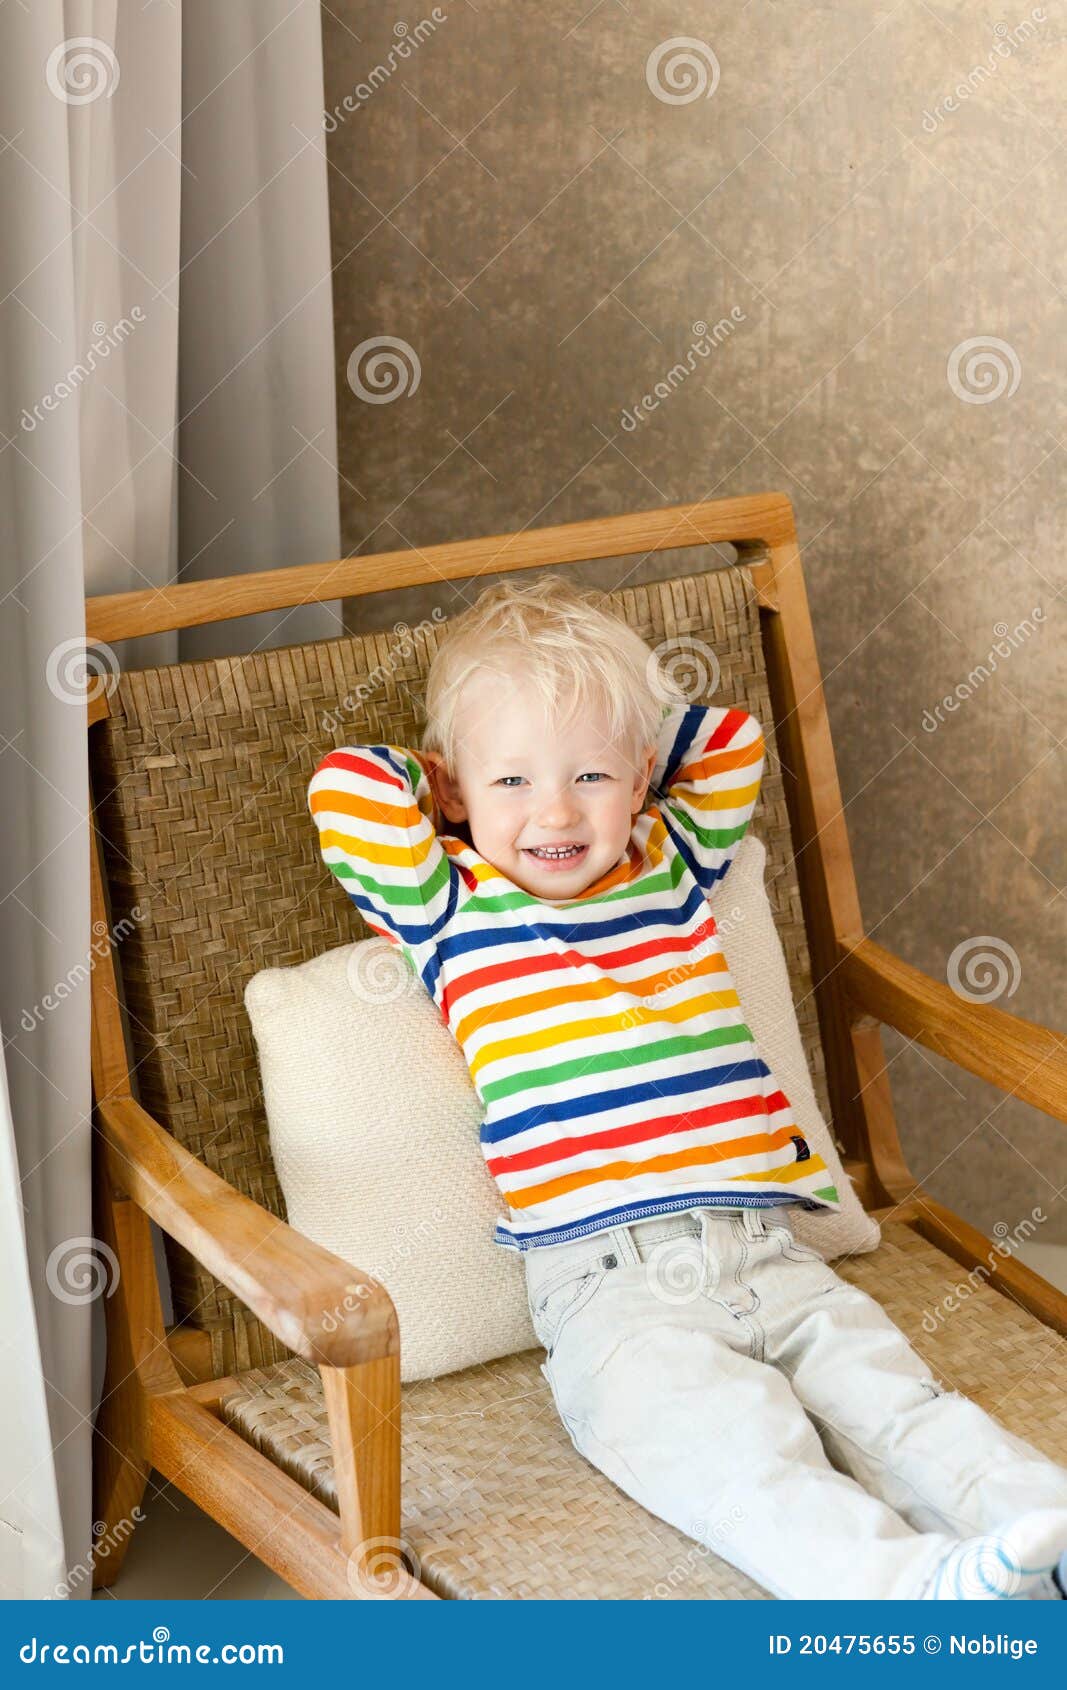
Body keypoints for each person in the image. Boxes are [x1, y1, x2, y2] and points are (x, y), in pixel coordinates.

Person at [307, 573, 1067, 1601]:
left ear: (635, 780)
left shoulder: (666, 862)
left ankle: (1037, 1530)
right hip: (610, 1295)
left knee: (900, 1406)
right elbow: (344, 786)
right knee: (736, 1456)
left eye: (588, 776)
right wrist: (454, 772)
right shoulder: (448, 902)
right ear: (449, 793)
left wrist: (621, 736)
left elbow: (729, 739)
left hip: (767, 1251)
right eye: (512, 782)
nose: (556, 812)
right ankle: (914, 1594)